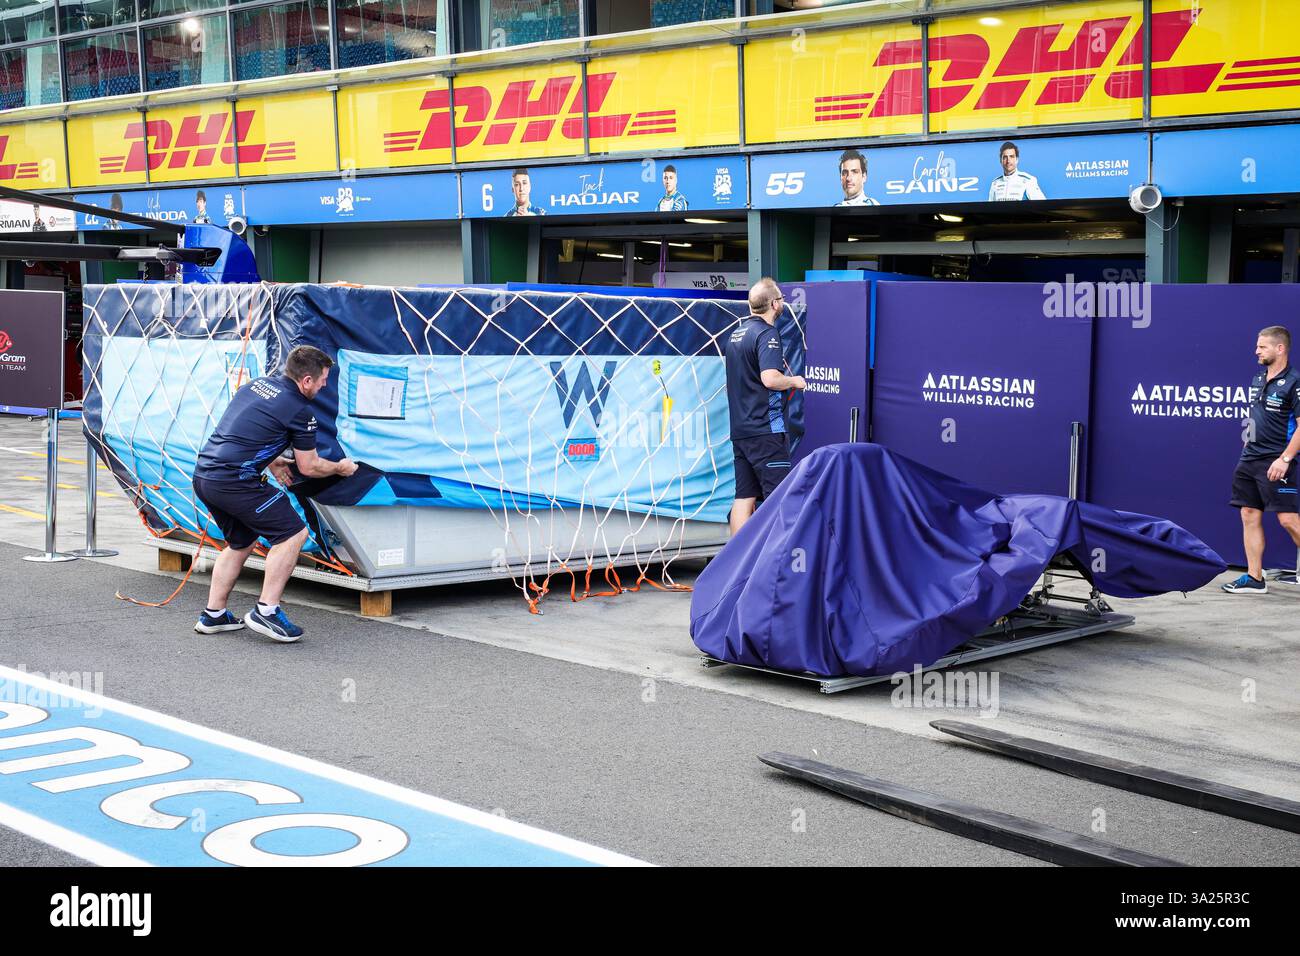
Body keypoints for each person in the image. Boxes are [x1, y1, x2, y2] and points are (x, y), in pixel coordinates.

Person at [191, 345, 358, 641]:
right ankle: (266, 611)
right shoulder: (301, 412)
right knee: (293, 534)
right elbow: (310, 467)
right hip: (235, 481)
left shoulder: (255, 385)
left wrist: (272, 459)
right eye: (322, 380)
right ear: (306, 380)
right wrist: (340, 468)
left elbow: (246, 430)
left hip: (205, 474)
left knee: (240, 541)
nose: (324, 386)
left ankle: (213, 614)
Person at [725, 277, 806, 535]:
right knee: (777, 499)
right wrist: (795, 381)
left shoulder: (736, 334)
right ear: (774, 304)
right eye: (781, 298)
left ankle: (737, 562)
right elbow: (770, 379)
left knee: (744, 498)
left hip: (741, 431)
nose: (782, 302)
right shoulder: (767, 333)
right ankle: (768, 564)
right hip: (765, 432)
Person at [1223, 326, 1300, 594]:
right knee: (1248, 514)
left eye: (1262, 346)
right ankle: (1255, 577)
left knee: (1288, 519)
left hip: (1278, 459)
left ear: (1280, 349)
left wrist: (1285, 459)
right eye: (1257, 346)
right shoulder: (1258, 378)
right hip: (1250, 458)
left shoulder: (1295, 383)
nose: (1256, 351)